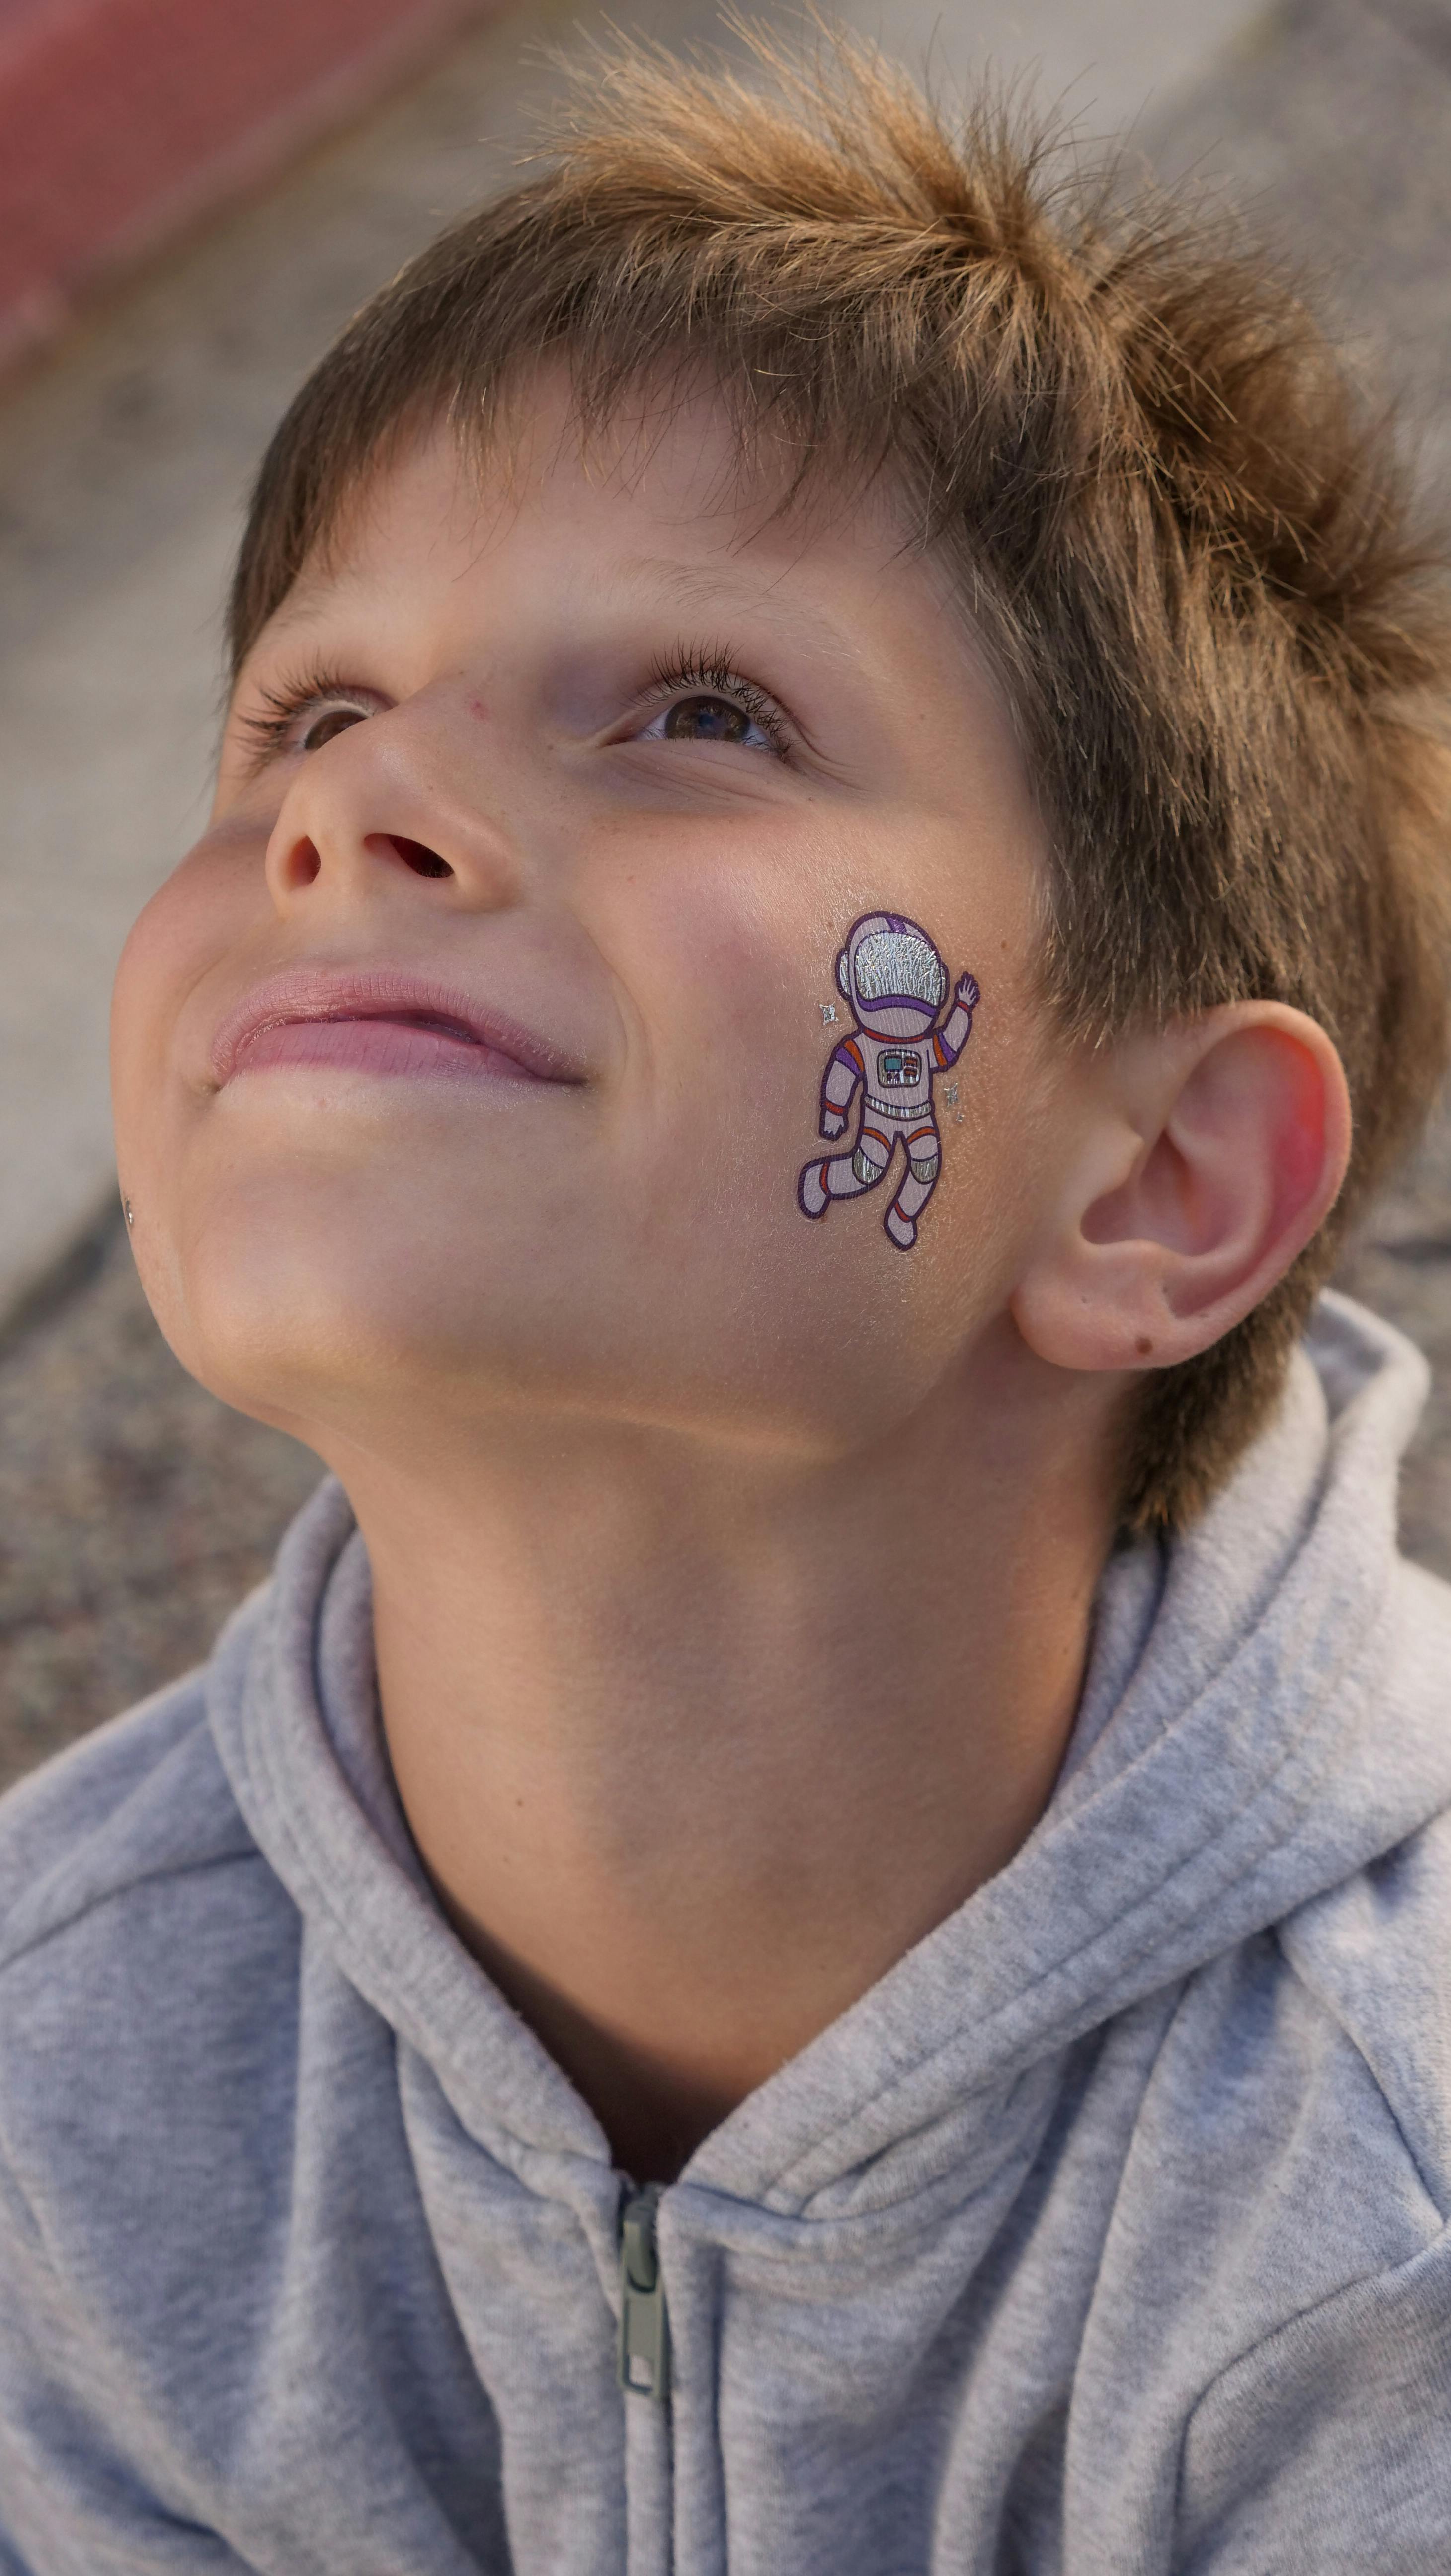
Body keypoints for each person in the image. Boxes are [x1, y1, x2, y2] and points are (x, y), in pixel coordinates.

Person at [2, 25, 1451, 2570]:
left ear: (1157, 1189)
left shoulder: (1386, 2173)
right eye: (312, 709)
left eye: (700, 713)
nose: (354, 807)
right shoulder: (67, 2080)